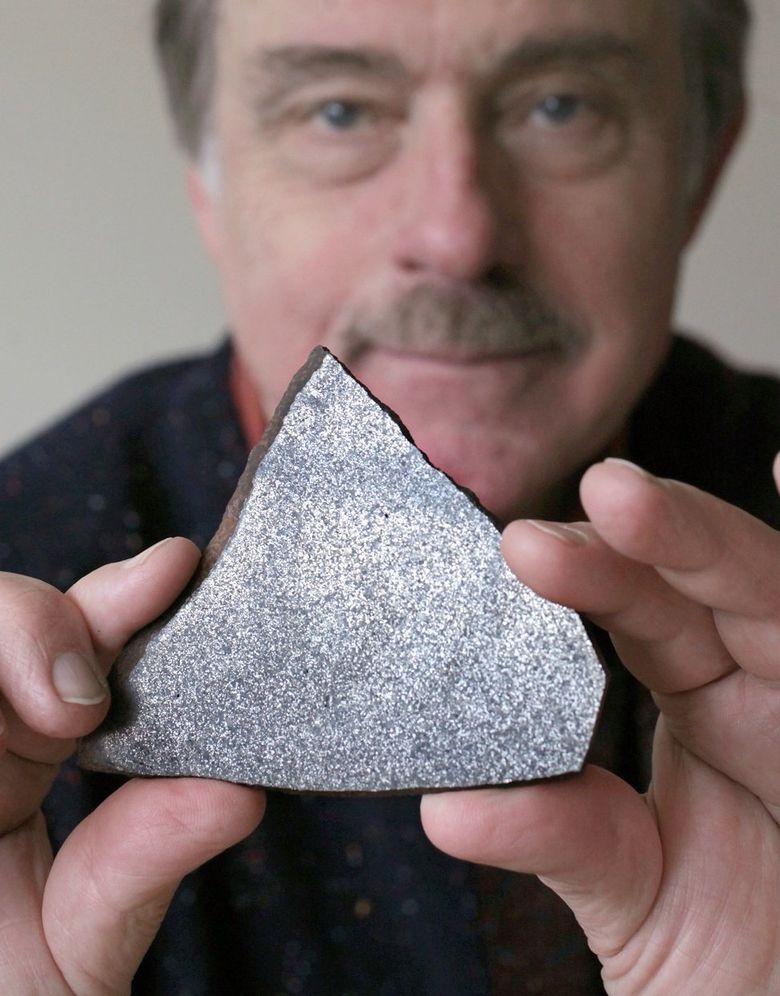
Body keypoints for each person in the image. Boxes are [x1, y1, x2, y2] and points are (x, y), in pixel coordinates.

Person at [0, 0, 777, 992]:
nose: (456, 237)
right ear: (206, 184)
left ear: (701, 173)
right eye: (339, 112)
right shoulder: (23, 624)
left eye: (562, 106)